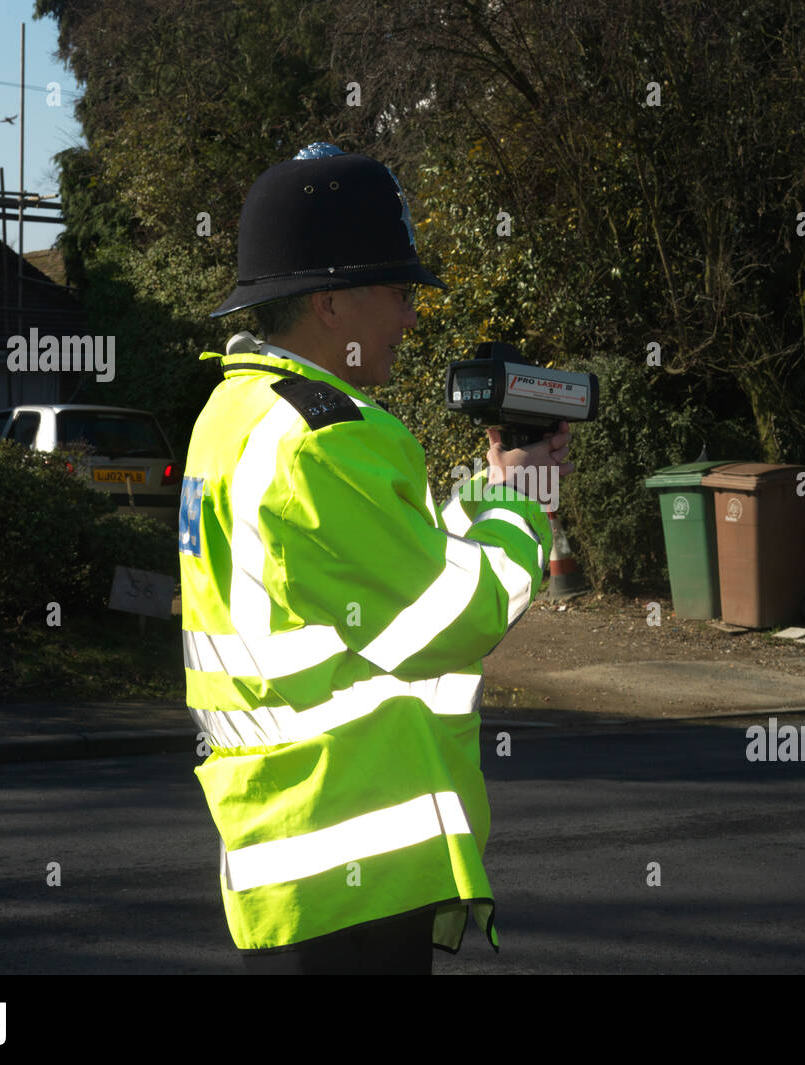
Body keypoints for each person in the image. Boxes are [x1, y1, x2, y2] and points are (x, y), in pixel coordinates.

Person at [178, 142, 573, 974]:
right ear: (330, 300)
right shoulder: (324, 440)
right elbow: (454, 613)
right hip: (347, 872)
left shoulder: (238, 410)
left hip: (289, 859)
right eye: (398, 291)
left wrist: (489, 486)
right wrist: (528, 501)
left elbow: (393, 564)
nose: (410, 315)